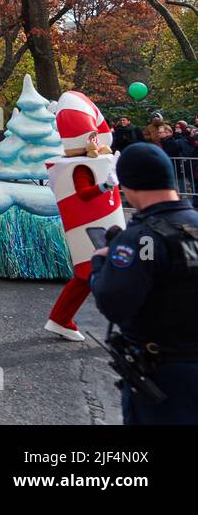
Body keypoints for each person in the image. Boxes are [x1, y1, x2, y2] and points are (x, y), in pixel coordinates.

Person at [90, 143, 198, 424]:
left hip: (165, 374)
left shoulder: (140, 238)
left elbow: (114, 304)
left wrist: (101, 263)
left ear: (128, 185)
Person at [44, 90, 126, 342]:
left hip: (98, 229)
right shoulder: (80, 167)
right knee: (95, 276)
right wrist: (106, 185)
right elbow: (84, 194)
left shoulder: (89, 163)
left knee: (85, 278)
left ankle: (60, 319)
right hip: (93, 232)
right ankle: (134, 324)